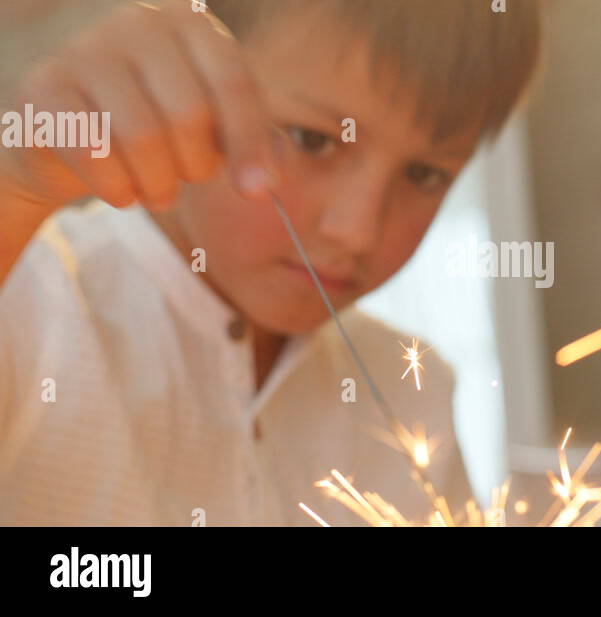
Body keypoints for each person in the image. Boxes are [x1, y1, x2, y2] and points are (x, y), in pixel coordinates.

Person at [0, 0, 542, 525]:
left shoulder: (409, 388)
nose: (357, 230)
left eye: (424, 175)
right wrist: (15, 188)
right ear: (182, 83)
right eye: (312, 140)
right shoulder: (32, 301)